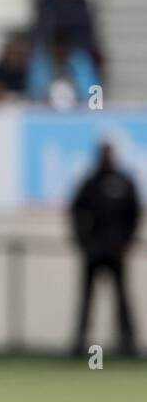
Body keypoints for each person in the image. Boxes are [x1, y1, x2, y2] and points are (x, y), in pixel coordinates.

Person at [71, 142, 140, 357]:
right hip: (94, 252)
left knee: (122, 298)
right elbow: (75, 211)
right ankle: (80, 344)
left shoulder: (124, 182)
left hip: (116, 251)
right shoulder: (90, 183)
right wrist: (84, 242)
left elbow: (134, 213)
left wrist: (126, 240)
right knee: (87, 299)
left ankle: (127, 345)